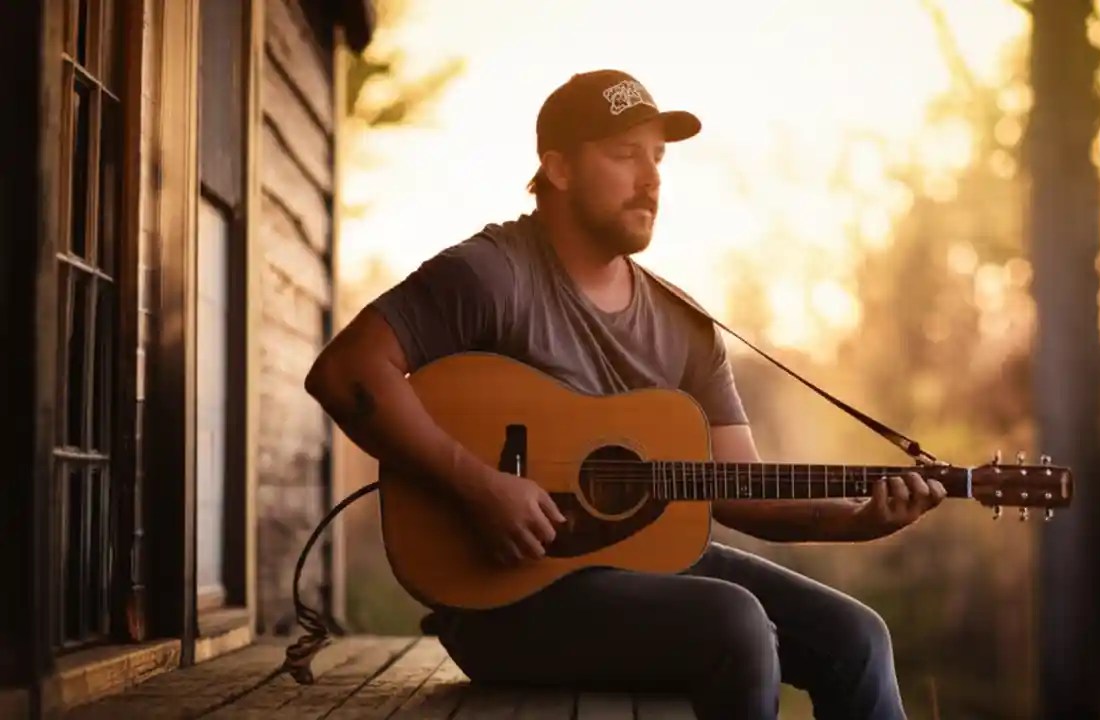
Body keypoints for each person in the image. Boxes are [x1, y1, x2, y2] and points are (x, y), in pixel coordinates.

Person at [304, 69, 946, 720]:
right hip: (502, 598)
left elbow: (740, 487)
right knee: (735, 621)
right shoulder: (493, 275)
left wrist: (859, 521)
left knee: (858, 639)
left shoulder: (685, 324)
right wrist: (481, 487)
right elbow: (346, 371)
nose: (651, 178)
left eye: (658, 158)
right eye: (624, 154)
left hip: (649, 573)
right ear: (557, 168)